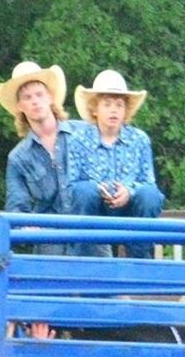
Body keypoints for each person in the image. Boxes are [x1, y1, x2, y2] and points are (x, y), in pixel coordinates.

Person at [67, 69, 165, 259]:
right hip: (94, 208)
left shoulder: (140, 139)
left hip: (132, 210)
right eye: (107, 104)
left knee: (150, 195)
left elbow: (148, 182)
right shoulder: (77, 140)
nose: (114, 110)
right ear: (94, 109)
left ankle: (140, 264)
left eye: (119, 105)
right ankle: (86, 262)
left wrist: (130, 192)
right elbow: (72, 185)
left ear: (126, 110)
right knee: (83, 192)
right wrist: (98, 189)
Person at [0, 61, 81, 253]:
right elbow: (16, 207)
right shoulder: (18, 157)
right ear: (20, 106)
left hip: (91, 240)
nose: (35, 101)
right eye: (27, 97)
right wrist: (25, 225)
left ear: (50, 97)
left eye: (39, 94)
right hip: (50, 246)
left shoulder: (83, 134)